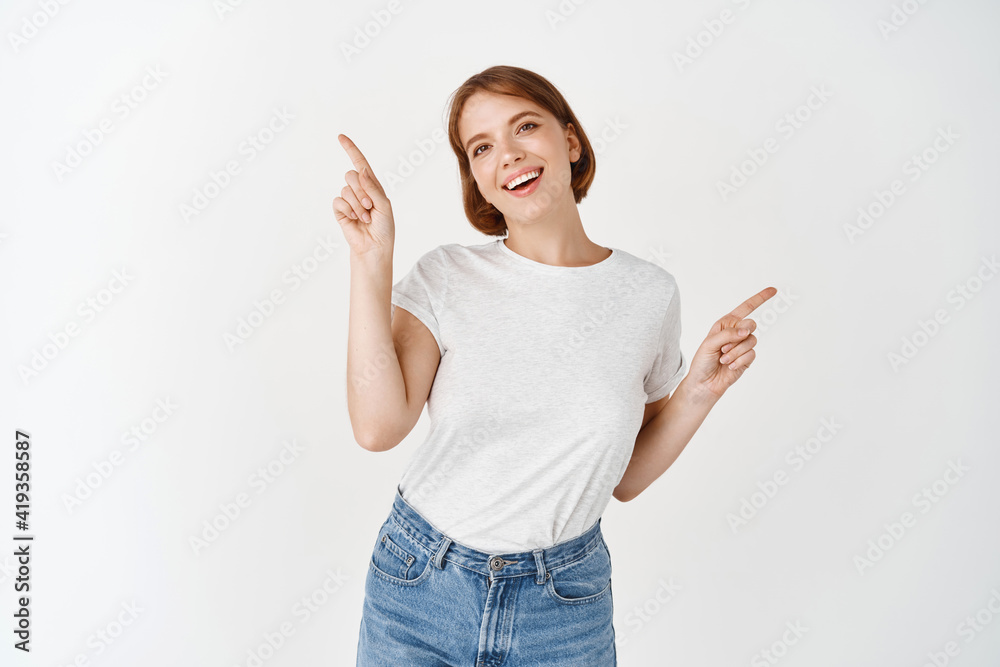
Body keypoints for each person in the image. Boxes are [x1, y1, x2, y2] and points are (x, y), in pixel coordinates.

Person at [335, 65, 776, 666]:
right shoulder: (446, 277)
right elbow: (377, 427)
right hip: (420, 586)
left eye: (525, 126)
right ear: (478, 181)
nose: (508, 155)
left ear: (570, 142)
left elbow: (625, 479)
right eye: (482, 147)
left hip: (563, 604)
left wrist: (698, 391)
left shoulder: (648, 294)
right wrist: (371, 258)